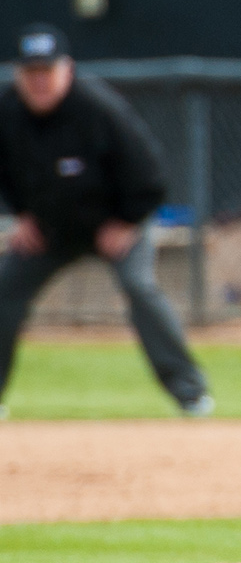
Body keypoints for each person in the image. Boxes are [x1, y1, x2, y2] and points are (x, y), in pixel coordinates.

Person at [0, 24, 213, 419]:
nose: (39, 81)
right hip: (50, 232)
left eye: (47, 71)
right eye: (31, 73)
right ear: (18, 75)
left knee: (139, 286)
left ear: (67, 70)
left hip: (114, 227)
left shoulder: (99, 109)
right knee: (4, 290)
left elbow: (151, 177)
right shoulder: (8, 112)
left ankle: (190, 392)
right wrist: (21, 214)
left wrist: (127, 222)